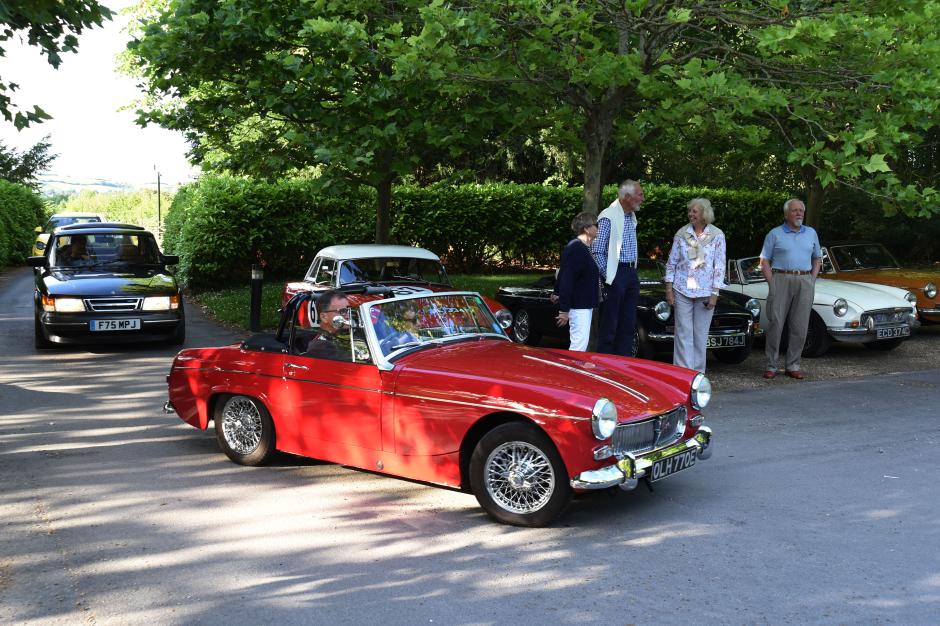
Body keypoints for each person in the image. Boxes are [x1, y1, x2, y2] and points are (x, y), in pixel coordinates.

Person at [760, 198, 821, 380]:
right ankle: (771, 365)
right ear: (786, 214)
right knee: (776, 324)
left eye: (801, 210)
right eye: (795, 210)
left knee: (800, 325)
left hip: (804, 279)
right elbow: (764, 261)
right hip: (781, 278)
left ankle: (793, 365)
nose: (799, 213)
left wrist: (812, 278)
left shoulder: (811, 233)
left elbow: (817, 258)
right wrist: (773, 283)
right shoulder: (775, 234)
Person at [664, 198, 726, 372]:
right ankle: (682, 374)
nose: (691, 214)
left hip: (706, 292)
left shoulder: (717, 235)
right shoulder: (682, 234)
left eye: (695, 211)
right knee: (683, 334)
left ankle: (697, 375)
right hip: (682, 289)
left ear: (704, 214)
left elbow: (719, 266)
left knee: (700, 335)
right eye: (690, 211)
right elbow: (672, 263)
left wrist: (715, 293)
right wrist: (669, 289)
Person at [590, 180, 644, 356]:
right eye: (640, 194)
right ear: (627, 197)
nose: (642, 198)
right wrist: (608, 276)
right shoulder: (608, 216)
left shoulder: (630, 216)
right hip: (615, 273)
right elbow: (597, 250)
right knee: (610, 325)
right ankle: (604, 366)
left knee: (628, 324)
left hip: (630, 273)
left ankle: (623, 366)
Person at [554, 212, 601, 351]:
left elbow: (563, 273)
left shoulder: (583, 248)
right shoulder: (576, 248)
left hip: (584, 305)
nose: (598, 228)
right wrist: (564, 310)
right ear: (587, 228)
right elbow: (567, 278)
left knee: (580, 345)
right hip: (578, 306)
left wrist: (556, 292)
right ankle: (570, 372)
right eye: (596, 225)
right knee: (578, 347)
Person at [305, 290, 351, 361]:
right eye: (342, 311)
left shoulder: (347, 334)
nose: (348, 316)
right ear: (324, 317)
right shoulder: (319, 348)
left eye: (349, 310)